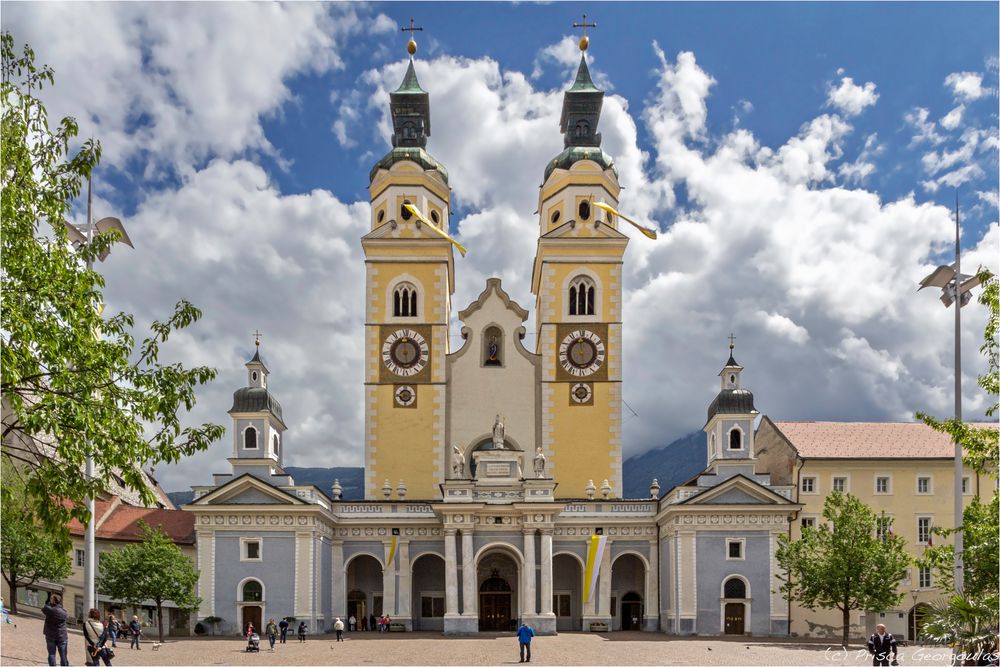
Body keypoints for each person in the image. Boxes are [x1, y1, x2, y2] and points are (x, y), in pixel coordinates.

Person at [42, 593, 69, 667]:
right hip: (61, 635)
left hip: (50, 635)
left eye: (51, 599)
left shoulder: (49, 609)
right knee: (63, 655)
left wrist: (48, 603)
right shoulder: (64, 611)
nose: (50, 600)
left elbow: (44, 608)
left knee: (51, 654)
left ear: (54, 601)